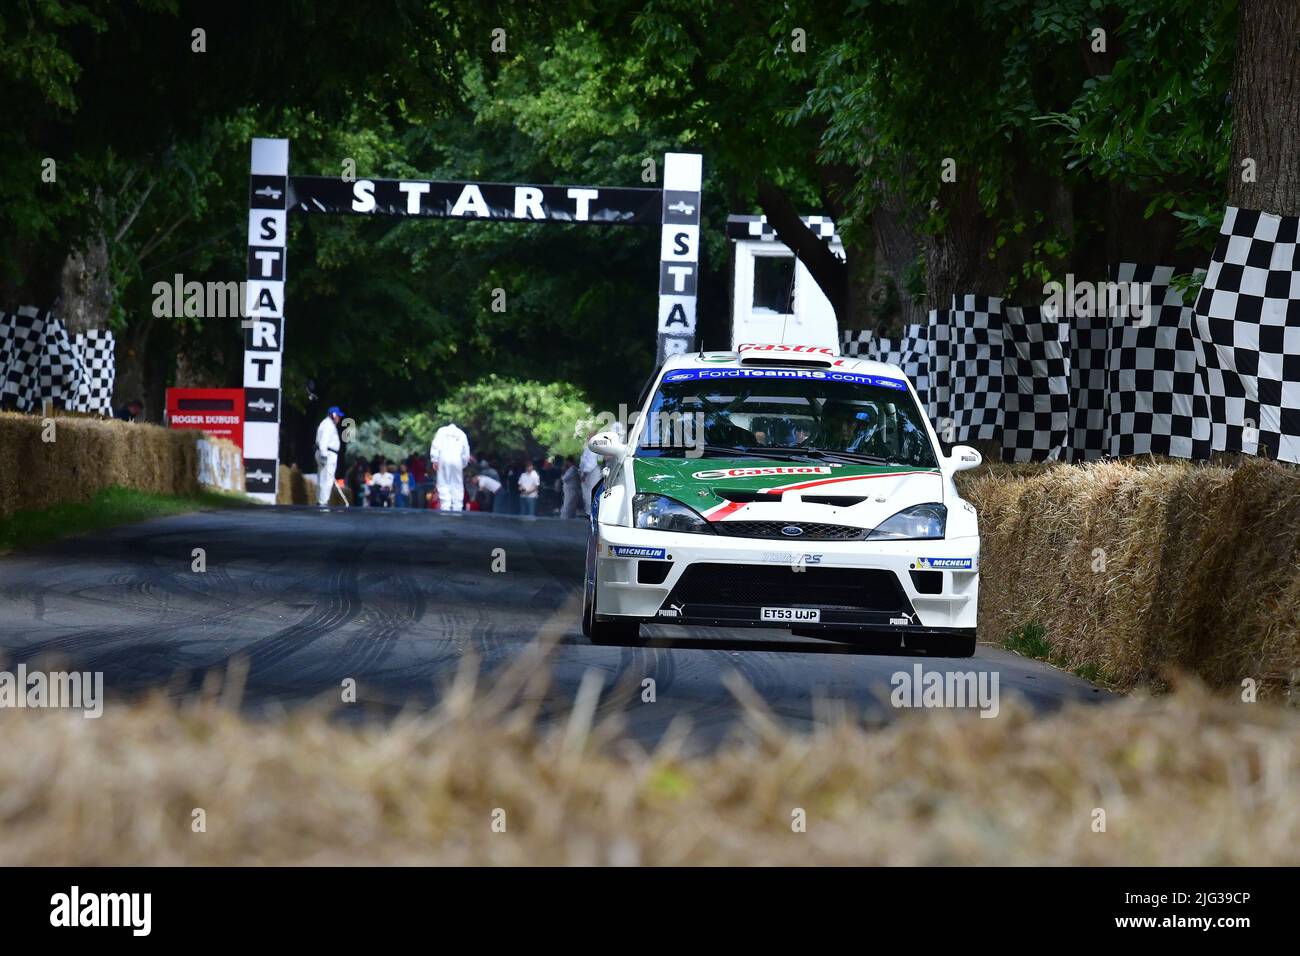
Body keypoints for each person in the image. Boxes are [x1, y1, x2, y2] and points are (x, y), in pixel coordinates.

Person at [430, 419, 472, 511]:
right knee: (457, 484)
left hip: (443, 458)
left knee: (443, 482)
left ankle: (445, 506)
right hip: (457, 459)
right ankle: (457, 507)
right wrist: (463, 464)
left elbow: (435, 445)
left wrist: (435, 459)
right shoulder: (461, 434)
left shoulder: (441, 431)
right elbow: (466, 452)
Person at [314, 406, 344, 507]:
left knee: (324, 478)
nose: (339, 418)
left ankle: (322, 500)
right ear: (333, 415)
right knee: (326, 479)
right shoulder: (327, 425)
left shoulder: (328, 424)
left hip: (328, 454)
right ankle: (323, 501)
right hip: (328, 454)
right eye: (338, 416)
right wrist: (324, 455)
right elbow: (323, 441)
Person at [579, 433, 602, 511]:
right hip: (589, 472)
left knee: (590, 493)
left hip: (591, 473)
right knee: (588, 493)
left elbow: (591, 463)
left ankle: (591, 511)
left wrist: (584, 474)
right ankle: (590, 510)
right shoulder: (589, 447)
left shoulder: (593, 448)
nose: (588, 438)